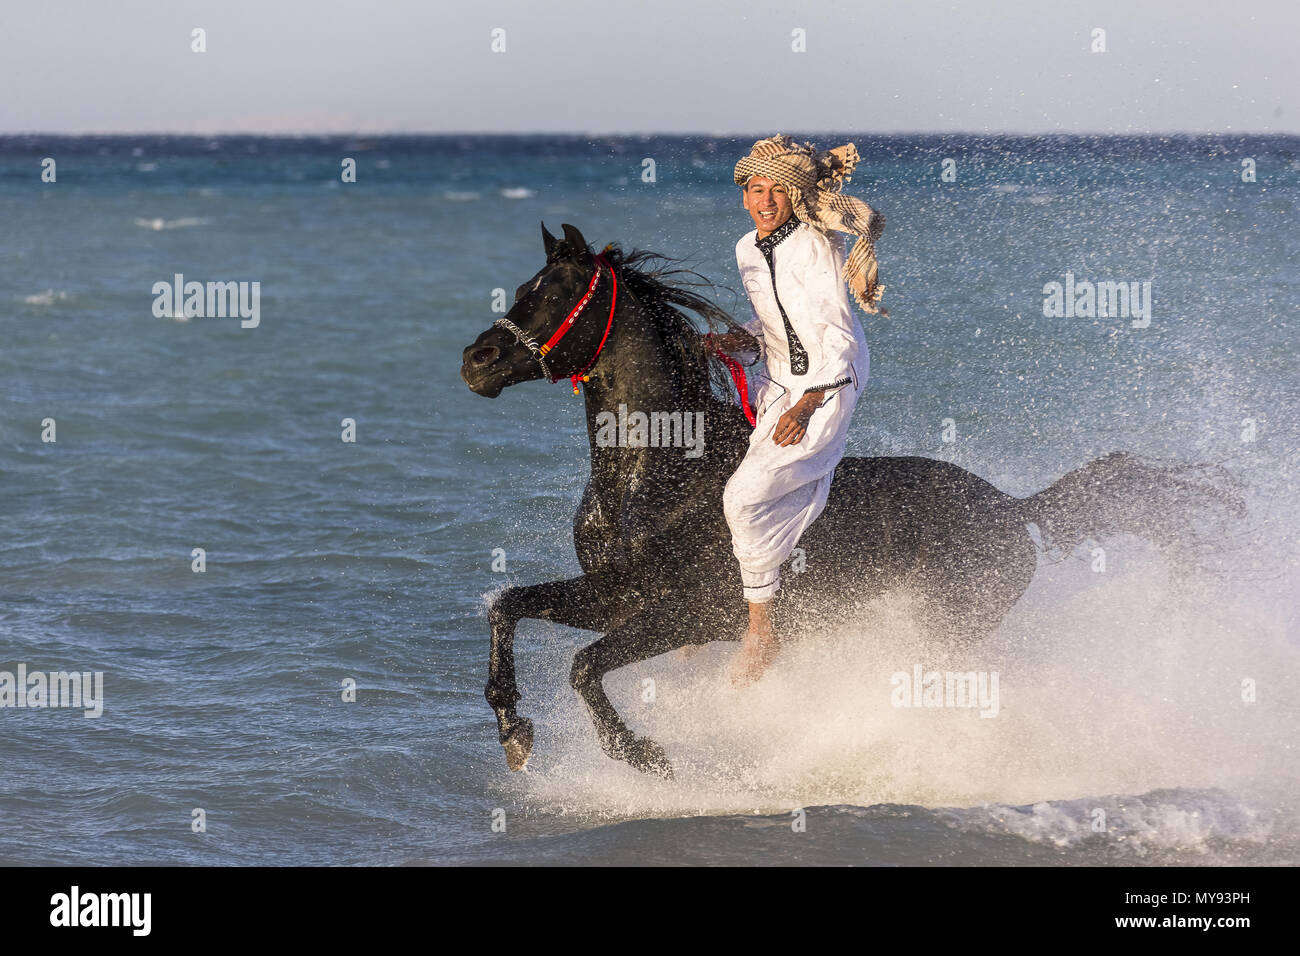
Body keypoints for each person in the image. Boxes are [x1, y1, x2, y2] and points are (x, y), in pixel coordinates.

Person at [714, 135, 886, 686]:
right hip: (776, 380)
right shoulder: (746, 248)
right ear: (744, 196)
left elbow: (834, 335)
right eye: (755, 190)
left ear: (794, 194)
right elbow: (775, 325)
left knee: (741, 497)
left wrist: (810, 404)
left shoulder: (815, 246)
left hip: (828, 384)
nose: (765, 201)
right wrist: (728, 341)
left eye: (776, 191)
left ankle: (762, 633)